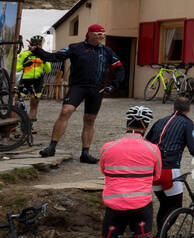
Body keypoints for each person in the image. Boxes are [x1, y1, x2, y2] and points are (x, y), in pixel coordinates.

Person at [82, 105, 163, 238]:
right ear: (146, 125)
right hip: (141, 206)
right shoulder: (153, 149)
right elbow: (156, 175)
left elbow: (104, 170)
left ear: (127, 123)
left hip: (114, 207)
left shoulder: (108, 147)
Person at [31, 23, 124, 163]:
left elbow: (120, 69)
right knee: (66, 111)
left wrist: (113, 86)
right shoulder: (76, 48)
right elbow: (55, 57)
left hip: (96, 89)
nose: (101, 36)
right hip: (78, 87)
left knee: (89, 120)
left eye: (102, 33)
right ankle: (52, 147)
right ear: (90, 34)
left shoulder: (107, 51)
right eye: (98, 33)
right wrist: (37, 51)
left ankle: (85, 153)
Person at [145, 97, 194, 232]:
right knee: (175, 206)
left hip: (152, 170)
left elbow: (146, 143)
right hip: (169, 169)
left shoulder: (159, 121)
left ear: (174, 107)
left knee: (164, 205)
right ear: (189, 109)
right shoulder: (188, 124)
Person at [16, 35, 51, 131]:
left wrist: (44, 60)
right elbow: (17, 68)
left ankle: (29, 126)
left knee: (34, 104)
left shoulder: (44, 54)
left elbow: (48, 70)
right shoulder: (24, 54)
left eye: (40, 44)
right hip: (25, 80)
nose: (38, 46)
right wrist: (24, 65)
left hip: (38, 82)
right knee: (17, 102)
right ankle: (13, 125)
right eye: (36, 43)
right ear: (32, 43)